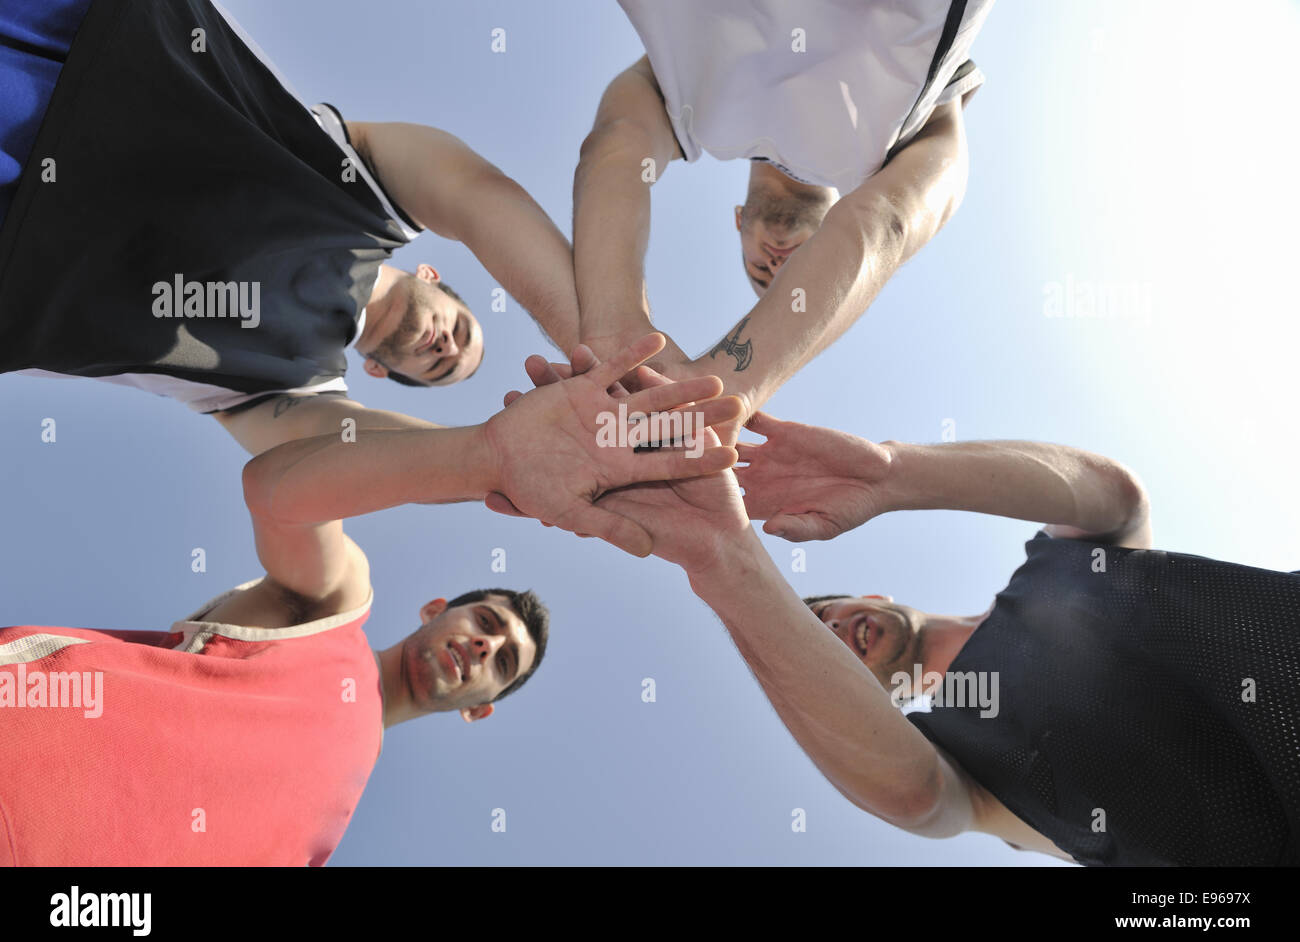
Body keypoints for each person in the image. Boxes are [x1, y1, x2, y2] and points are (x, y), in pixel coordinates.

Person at [505, 347, 1298, 865]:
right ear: (870, 696)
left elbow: (1111, 495)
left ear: (873, 596)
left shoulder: (1061, 576)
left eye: (830, 613)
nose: (840, 632)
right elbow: (920, 797)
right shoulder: (963, 766)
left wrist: (894, 474)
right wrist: (725, 560)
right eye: (825, 647)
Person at [0, 336, 742, 865]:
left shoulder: (325, 830)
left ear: (480, 707)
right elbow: (277, 495)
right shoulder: (332, 610)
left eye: (504, 661)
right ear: (434, 608)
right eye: (486, 622)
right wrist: (486, 456)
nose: (486, 646)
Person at [0, 0, 585, 452]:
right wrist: (602, 349)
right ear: (431, 273)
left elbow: (340, 452)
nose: (448, 346)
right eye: (463, 328)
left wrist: (491, 451)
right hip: (73, 42)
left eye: (443, 368)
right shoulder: (377, 199)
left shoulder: (283, 389)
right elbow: (478, 196)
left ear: (380, 370)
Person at [572, 0, 994, 439]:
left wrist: (617, 339)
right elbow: (886, 224)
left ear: (739, 222)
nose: (776, 266)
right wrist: (726, 393)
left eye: (759, 269)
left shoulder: (681, 106)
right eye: (790, 275)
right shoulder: (901, 140)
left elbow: (616, 147)